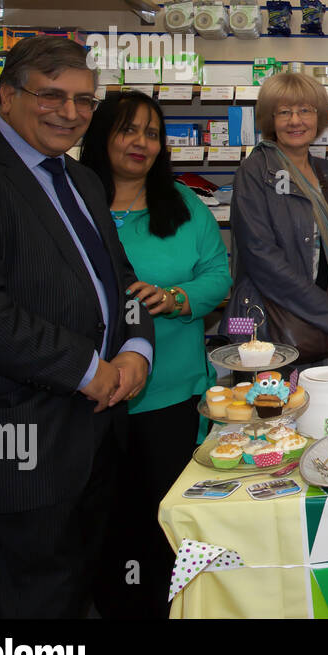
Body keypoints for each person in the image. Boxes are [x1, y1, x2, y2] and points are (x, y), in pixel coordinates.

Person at [0, 35, 154, 618]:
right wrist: (88, 370)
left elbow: (122, 279)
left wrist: (135, 349)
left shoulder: (79, 179)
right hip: (22, 435)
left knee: (81, 583)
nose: (71, 112)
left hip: (98, 430)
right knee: (31, 598)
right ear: (5, 97)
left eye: (84, 100)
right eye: (51, 95)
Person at [79, 90, 232, 617]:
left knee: (164, 518)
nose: (141, 142)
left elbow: (218, 276)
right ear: (102, 134)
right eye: (128, 129)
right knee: (102, 519)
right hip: (87, 394)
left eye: (151, 132)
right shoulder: (74, 201)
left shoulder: (183, 204)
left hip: (170, 391)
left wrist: (176, 299)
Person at [226, 73, 328, 364]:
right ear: (269, 119)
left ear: (319, 116)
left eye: (304, 110)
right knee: (271, 407)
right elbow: (260, 257)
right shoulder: (254, 172)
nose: (295, 121)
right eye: (284, 112)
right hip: (267, 327)